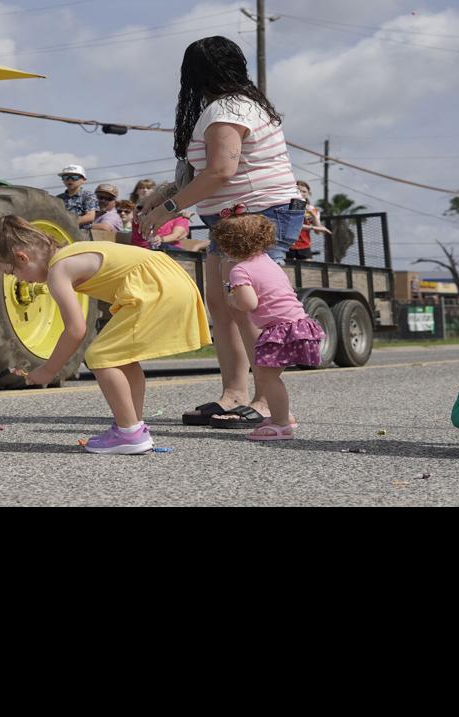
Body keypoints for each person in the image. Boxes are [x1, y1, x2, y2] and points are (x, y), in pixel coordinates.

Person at [133, 36, 303, 431]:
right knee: (222, 305)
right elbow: (211, 172)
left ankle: (265, 401)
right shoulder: (233, 106)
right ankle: (234, 393)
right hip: (230, 221)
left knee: (246, 306)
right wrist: (165, 192)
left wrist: (167, 210)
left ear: (195, 73)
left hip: (257, 218)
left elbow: (221, 171)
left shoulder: (228, 109)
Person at [0, 215, 212, 454]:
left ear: (22, 257)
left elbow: (75, 329)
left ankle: (129, 432)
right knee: (122, 359)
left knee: (101, 355)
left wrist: (49, 370)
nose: (19, 280)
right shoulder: (69, 253)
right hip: (167, 280)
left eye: (10, 272)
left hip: (157, 287)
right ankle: (133, 426)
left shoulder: (58, 271)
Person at [213, 214, 323, 440]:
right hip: (298, 323)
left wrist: (232, 299)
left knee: (266, 377)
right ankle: (281, 416)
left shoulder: (239, 270)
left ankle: (282, 424)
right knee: (270, 376)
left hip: (280, 329)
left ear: (229, 246)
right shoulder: (267, 261)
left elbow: (248, 303)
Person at [286, 180, 330, 262]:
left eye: (304, 191)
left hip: (304, 246)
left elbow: (318, 231)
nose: (301, 193)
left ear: (308, 193)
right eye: (298, 191)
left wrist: (313, 215)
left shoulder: (313, 209)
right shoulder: (288, 206)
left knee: (308, 270)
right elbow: (294, 226)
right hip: (289, 245)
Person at [54, 164, 99, 228]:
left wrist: (69, 223)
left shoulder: (88, 196)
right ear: (63, 180)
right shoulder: (58, 198)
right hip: (62, 231)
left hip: (83, 233)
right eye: (65, 177)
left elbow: (90, 216)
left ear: (83, 180)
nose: (69, 180)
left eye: (74, 177)